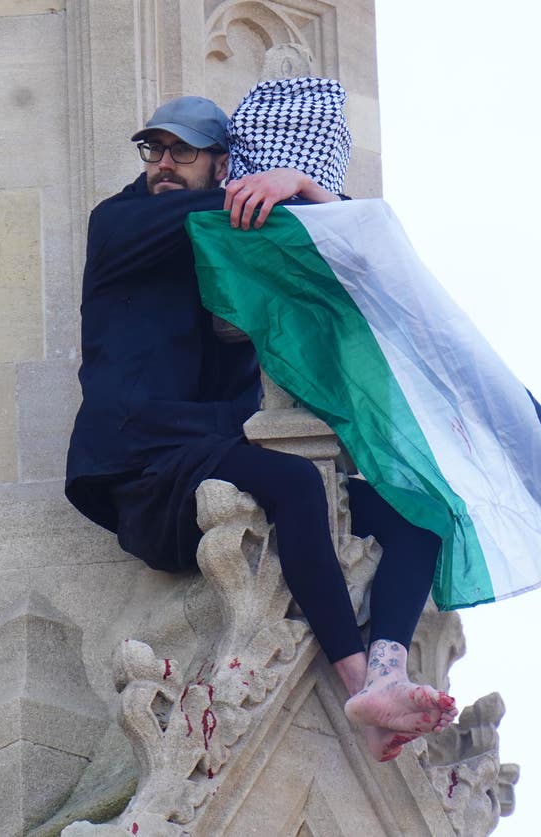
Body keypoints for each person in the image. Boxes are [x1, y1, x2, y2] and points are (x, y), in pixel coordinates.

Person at [64, 94, 457, 761]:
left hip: (215, 449)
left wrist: (300, 185)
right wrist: (292, 186)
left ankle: (390, 665)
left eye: (181, 151)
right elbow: (248, 214)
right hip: (144, 466)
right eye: (153, 149)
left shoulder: (238, 243)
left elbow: (357, 252)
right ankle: (359, 683)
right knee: (296, 483)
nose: (162, 164)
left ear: (222, 162)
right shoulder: (123, 221)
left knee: (419, 512)